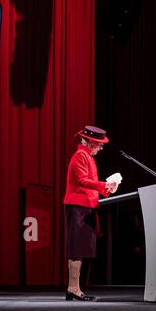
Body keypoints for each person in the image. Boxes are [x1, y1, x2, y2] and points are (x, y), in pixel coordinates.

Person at [62, 126, 117, 300]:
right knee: (76, 249)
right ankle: (73, 288)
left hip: (85, 206)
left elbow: (90, 184)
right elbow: (83, 181)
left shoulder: (87, 157)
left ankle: (74, 288)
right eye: (99, 145)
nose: (101, 148)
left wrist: (106, 189)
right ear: (91, 142)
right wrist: (103, 186)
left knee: (80, 248)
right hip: (77, 206)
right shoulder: (80, 156)